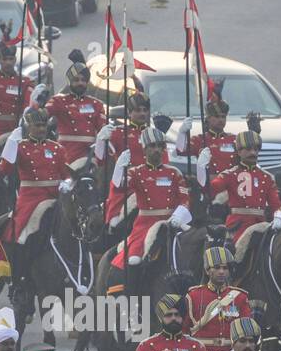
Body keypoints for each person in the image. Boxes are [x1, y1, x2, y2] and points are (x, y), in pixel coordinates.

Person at [106, 127, 192, 295]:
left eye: (161, 146)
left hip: (172, 222)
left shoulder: (174, 173)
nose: (157, 150)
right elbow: (119, 188)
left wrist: (178, 215)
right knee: (134, 259)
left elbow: (185, 199)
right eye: (153, 146)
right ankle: (132, 296)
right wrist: (119, 168)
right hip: (145, 227)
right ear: (144, 149)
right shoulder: (135, 172)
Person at [0, 107, 73, 297]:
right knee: (23, 235)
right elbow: (5, 170)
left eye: (44, 125)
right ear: (28, 126)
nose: (41, 129)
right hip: (30, 200)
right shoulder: (21, 147)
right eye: (37, 125)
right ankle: (21, 275)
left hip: (55, 198)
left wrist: (67, 183)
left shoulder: (57, 148)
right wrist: (10, 144)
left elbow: (66, 174)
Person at [208, 129, 281, 243]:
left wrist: (279, 217)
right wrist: (202, 169)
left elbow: (276, 205)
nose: (253, 153)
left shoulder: (267, 177)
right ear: (239, 152)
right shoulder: (230, 174)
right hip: (237, 226)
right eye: (248, 149)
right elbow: (213, 188)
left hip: (261, 225)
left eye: (256, 149)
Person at [186, 246, 252, 351]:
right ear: (207, 270)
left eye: (225, 268)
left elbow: (246, 332)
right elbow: (183, 333)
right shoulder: (193, 296)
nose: (221, 271)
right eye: (216, 268)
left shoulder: (240, 297)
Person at [44, 61, 106, 167]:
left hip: (87, 154)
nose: (80, 83)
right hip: (65, 152)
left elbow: (103, 132)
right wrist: (35, 105)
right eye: (76, 80)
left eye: (83, 80)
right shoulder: (59, 101)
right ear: (70, 82)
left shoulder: (96, 104)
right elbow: (41, 117)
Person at [176, 95, 236, 181]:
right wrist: (181, 133)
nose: (221, 120)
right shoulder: (200, 140)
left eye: (223, 117)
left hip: (230, 184)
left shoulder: (233, 139)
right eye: (217, 116)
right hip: (208, 185)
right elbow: (180, 151)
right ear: (208, 118)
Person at [94, 91, 150, 168]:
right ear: (129, 113)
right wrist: (100, 141)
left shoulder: (154, 134)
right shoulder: (118, 133)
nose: (142, 113)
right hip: (125, 177)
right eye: (138, 110)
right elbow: (100, 161)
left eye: (145, 110)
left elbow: (164, 165)